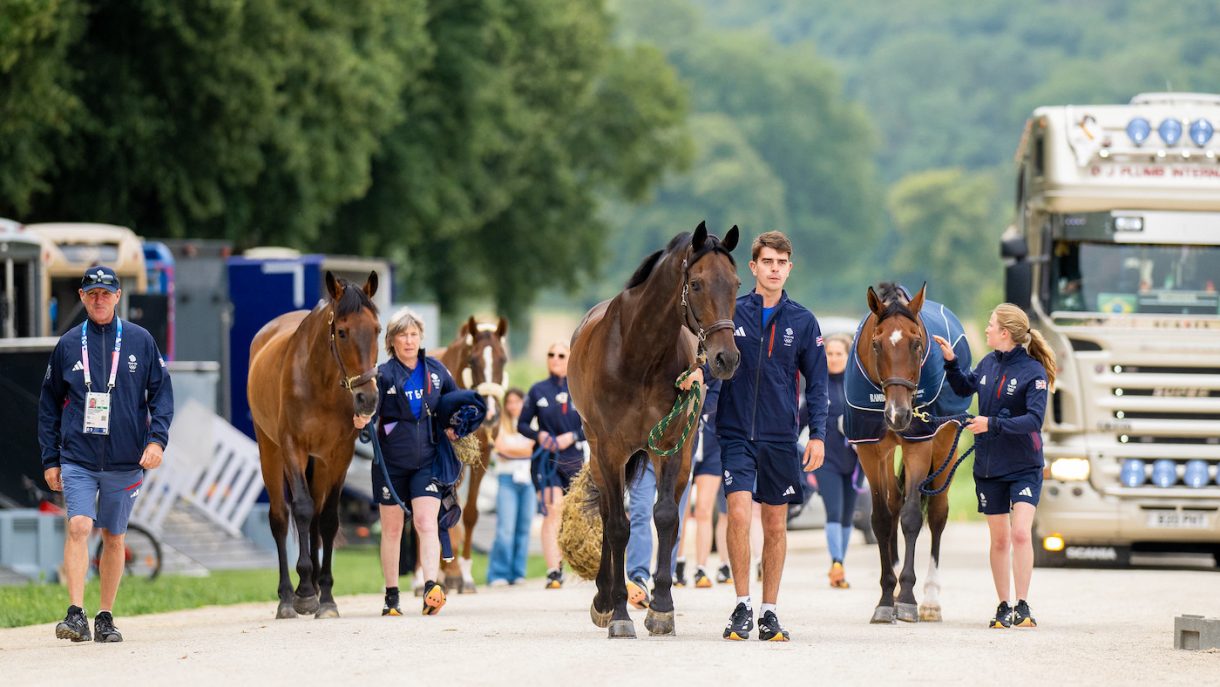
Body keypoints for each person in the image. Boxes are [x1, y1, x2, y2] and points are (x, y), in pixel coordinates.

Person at [685, 231, 828, 642]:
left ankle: (770, 611)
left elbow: (817, 385)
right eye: (767, 262)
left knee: (775, 525)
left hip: (781, 436)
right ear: (753, 267)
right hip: (734, 433)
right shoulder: (733, 311)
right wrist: (697, 374)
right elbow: (714, 361)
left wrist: (817, 435)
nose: (774, 269)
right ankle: (742, 605)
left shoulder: (803, 321)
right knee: (740, 514)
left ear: (789, 268)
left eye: (782, 263)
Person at [39, 265, 174, 643]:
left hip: (125, 458)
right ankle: (75, 614)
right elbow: (48, 405)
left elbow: (162, 394)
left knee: (114, 536)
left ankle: (105, 616)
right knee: (80, 525)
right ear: (82, 297)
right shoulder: (68, 344)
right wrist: (51, 459)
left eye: (106, 293)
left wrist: (156, 441)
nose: (99, 299)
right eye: (92, 293)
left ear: (117, 297)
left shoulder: (140, 340)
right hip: (78, 457)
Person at [933, 303, 1056, 630]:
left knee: (1019, 533)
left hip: (1024, 464)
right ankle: (1003, 605)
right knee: (999, 540)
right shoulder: (987, 362)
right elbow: (963, 387)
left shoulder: (1033, 373)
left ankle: (1023, 605)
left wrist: (992, 424)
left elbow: (1033, 420)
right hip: (989, 465)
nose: (986, 329)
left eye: (991, 325)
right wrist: (950, 363)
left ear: (1005, 333)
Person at [370, 307, 458, 616]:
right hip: (390, 463)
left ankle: (431, 588)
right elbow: (368, 412)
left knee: (425, 522)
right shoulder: (381, 375)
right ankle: (391, 595)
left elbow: (454, 403)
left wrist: (456, 426)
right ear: (391, 341)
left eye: (413, 334)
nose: (408, 341)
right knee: (392, 530)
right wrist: (359, 421)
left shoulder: (436, 371)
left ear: (421, 337)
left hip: (428, 462)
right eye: (402, 335)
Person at [518, 341, 586, 589]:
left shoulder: (581, 388)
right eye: (551, 354)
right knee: (552, 508)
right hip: (546, 461)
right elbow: (522, 424)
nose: (555, 358)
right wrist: (539, 436)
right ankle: (553, 569)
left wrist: (574, 436)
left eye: (561, 355)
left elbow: (594, 424)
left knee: (575, 513)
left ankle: (581, 563)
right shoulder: (537, 390)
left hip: (573, 459)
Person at [812, 334, 858, 589]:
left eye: (839, 353)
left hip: (853, 462)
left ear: (847, 356)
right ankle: (836, 563)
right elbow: (800, 420)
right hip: (825, 460)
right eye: (829, 353)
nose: (834, 358)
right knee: (834, 511)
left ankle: (840, 563)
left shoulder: (855, 388)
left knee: (848, 516)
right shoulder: (818, 386)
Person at [677, 378, 724, 589]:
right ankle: (677, 564)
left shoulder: (717, 375)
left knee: (704, 509)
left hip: (712, 447)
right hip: (686, 444)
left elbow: (714, 402)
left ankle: (701, 567)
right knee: (681, 509)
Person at [486, 388, 535, 586]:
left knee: (523, 528)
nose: (514, 405)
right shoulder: (500, 425)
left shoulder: (531, 424)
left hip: (528, 481)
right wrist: (521, 451)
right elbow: (500, 450)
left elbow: (531, 448)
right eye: (510, 402)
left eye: (518, 401)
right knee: (505, 529)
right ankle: (498, 573)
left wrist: (511, 451)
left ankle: (517, 572)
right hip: (506, 480)